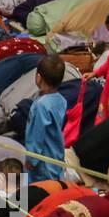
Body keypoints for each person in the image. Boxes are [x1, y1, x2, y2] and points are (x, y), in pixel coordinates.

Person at [25, 55, 67, 183]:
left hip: (42, 162)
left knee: (41, 188)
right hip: (56, 155)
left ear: (38, 77)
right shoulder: (61, 100)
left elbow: (37, 135)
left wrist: (32, 159)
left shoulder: (41, 105)